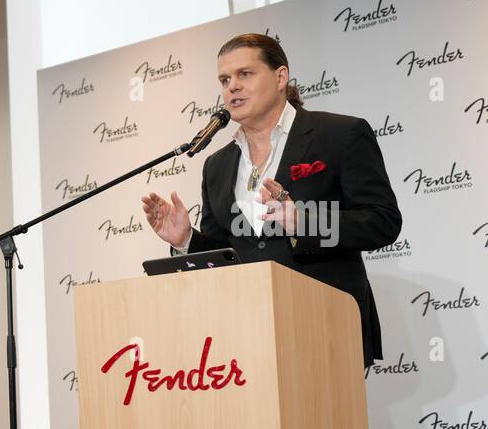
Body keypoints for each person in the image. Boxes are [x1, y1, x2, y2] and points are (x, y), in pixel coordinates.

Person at [141, 33, 401, 365]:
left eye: (244, 74)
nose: (232, 86)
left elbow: (383, 222)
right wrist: (186, 240)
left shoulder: (340, 135)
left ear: (280, 77)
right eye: (224, 79)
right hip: (245, 338)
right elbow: (224, 257)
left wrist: (304, 221)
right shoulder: (216, 166)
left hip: (326, 331)